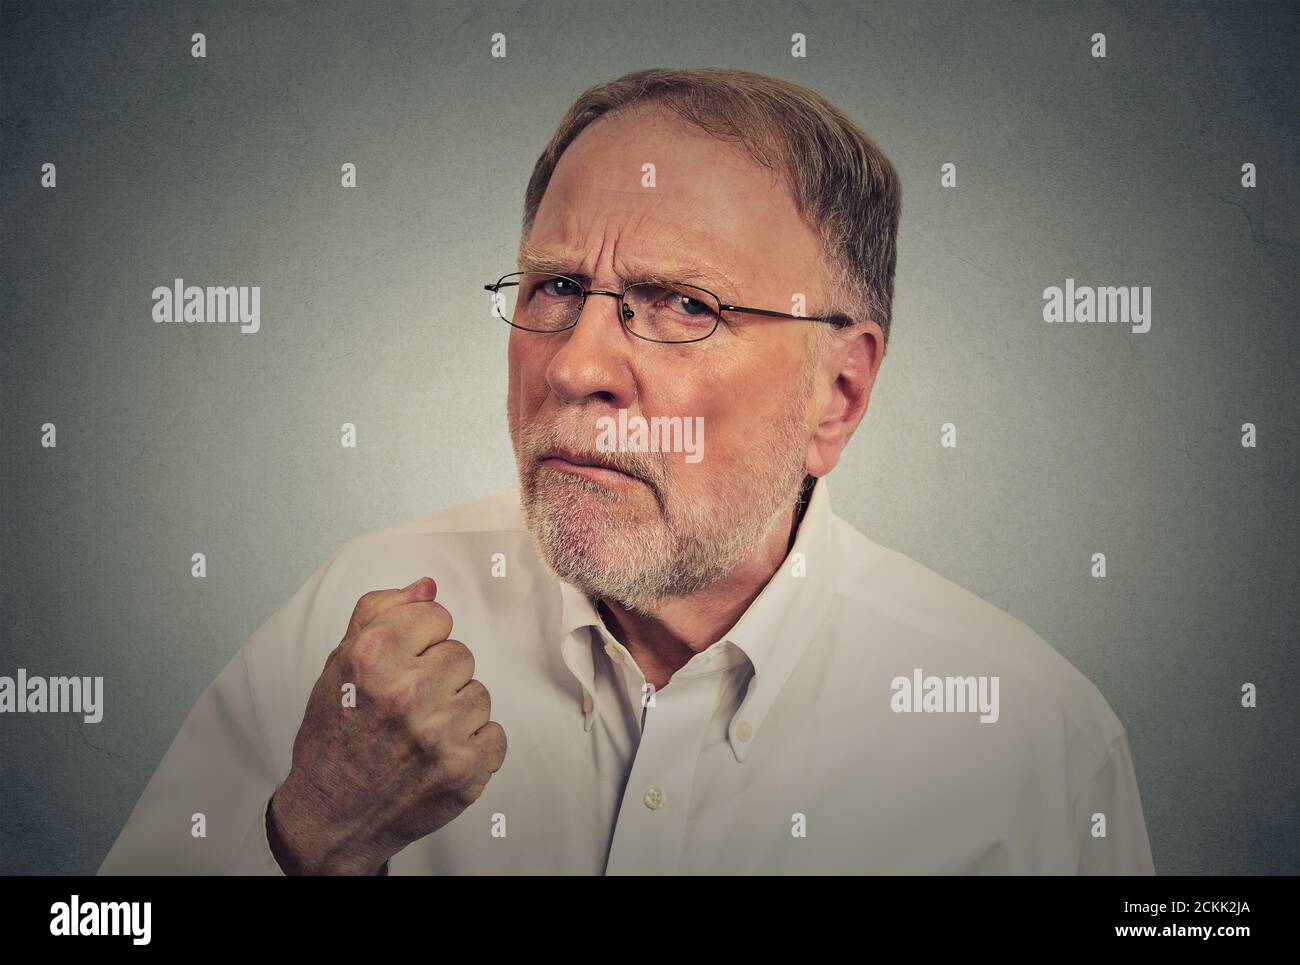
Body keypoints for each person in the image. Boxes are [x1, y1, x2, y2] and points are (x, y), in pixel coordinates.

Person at [99, 67, 1154, 875]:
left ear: (837, 393)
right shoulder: (358, 614)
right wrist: (304, 841)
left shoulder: (1030, 741)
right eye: (557, 285)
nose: (574, 363)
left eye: (683, 304)